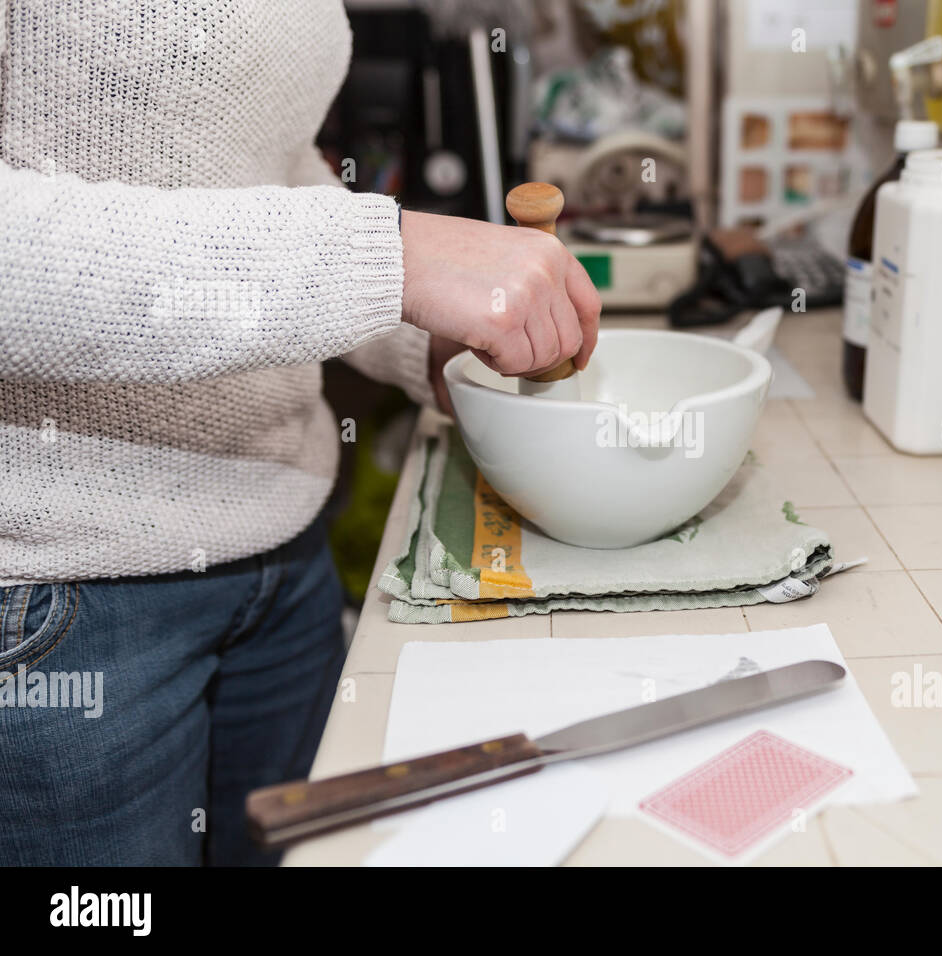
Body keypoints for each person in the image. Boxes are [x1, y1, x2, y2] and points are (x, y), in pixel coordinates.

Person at [0, 0, 599, 865]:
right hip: (63, 602)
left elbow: (258, 172)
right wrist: (389, 256)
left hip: (283, 563)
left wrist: (413, 333)